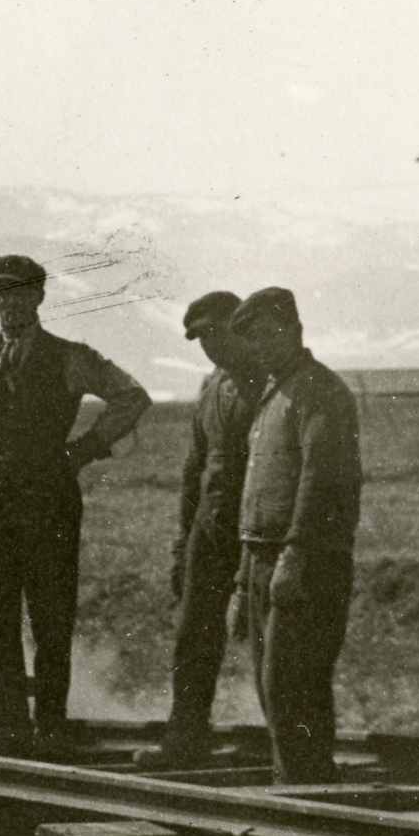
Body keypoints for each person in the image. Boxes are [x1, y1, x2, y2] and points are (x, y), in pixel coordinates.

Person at [0, 254, 151, 750]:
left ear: (39, 297)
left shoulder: (71, 357)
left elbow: (132, 397)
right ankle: (8, 725)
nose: (12, 304)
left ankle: (50, 724)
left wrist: (86, 449)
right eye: (3, 296)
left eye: (22, 294)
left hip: (49, 498)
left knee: (51, 613)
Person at [229, 287, 362, 787]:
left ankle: (306, 792)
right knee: (276, 688)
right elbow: (257, 495)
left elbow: (320, 479)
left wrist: (296, 555)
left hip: (305, 561)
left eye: (269, 335)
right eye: (253, 339)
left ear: (295, 331)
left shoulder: (319, 391)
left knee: (290, 685)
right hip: (266, 558)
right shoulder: (275, 393)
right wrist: (243, 582)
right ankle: (302, 786)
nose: (261, 347)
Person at [140, 290, 267, 769]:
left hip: (258, 529)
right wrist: (183, 539)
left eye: (216, 333)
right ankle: (186, 735)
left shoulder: (269, 382)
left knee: (267, 636)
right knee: (194, 633)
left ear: (240, 328)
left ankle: (286, 739)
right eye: (201, 339)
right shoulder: (212, 385)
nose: (210, 346)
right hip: (210, 528)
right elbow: (195, 468)